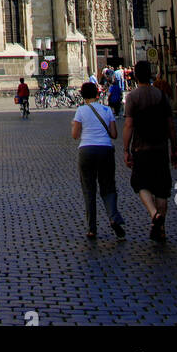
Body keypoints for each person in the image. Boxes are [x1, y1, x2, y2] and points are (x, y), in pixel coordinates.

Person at [123, 61, 177, 243]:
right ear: (150, 75)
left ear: (135, 76)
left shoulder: (132, 97)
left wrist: (126, 149)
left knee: (140, 183)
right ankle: (161, 229)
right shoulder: (162, 96)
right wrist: (175, 150)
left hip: (141, 148)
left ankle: (154, 214)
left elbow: (129, 125)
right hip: (161, 148)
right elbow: (171, 126)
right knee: (162, 189)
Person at [71, 81, 126, 240]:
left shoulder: (81, 110)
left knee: (89, 190)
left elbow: (75, 135)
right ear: (97, 94)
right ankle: (113, 217)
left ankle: (91, 229)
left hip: (86, 150)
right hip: (105, 150)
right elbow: (114, 134)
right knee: (108, 187)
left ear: (83, 95)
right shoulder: (107, 110)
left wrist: (74, 126)